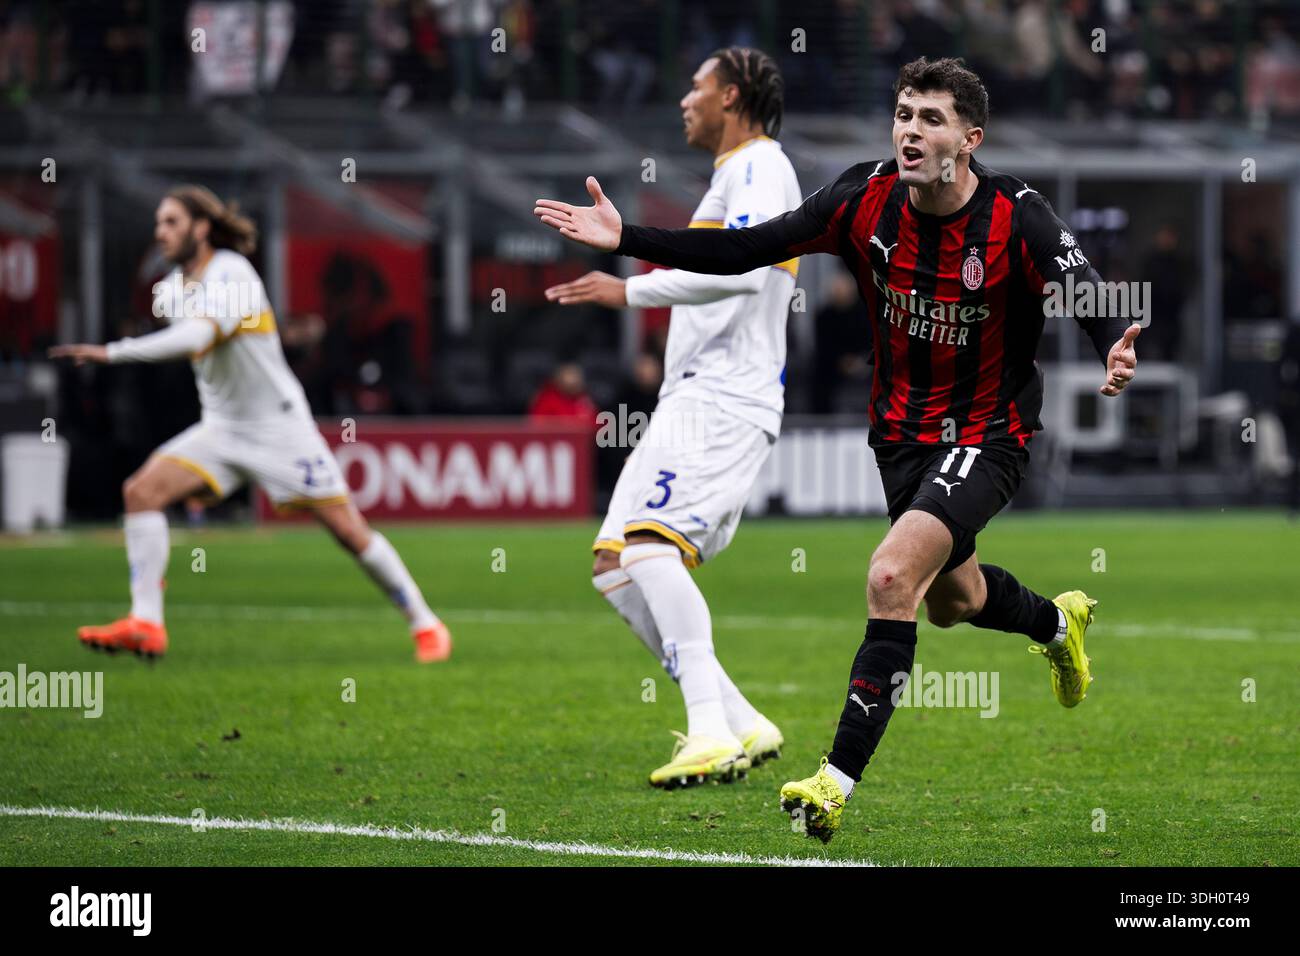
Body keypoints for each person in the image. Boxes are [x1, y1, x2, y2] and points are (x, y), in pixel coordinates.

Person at [535, 57, 1141, 841]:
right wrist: (630, 241)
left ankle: (834, 780)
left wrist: (1111, 348)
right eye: (902, 114)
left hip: (988, 432)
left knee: (892, 575)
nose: (910, 132)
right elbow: (744, 251)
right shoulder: (863, 198)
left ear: (970, 138)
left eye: (930, 119)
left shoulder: (1017, 215)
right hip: (899, 435)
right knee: (954, 601)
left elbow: (1085, 287)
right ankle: (1057, 627)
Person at [49, 185, 452, 664]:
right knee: (141, 493)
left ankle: (426, 624)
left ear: (201, 228)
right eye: (158, 223)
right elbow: (181, 327)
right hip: (221, 428)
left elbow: (197, 336)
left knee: (347, 530)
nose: (161, 232)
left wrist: (112, 353)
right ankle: (147, 624)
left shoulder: (234, 273)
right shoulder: (173, 289)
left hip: (279, 430)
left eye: (172, 222)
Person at [542, 48, 799, 788]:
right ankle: (741, 720)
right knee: (616, 564)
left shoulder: (760, 167)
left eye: (696, 87)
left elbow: (746, 270)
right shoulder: (734, 175)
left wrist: (631, 293)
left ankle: (710, 732)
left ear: (734, 94)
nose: (685, 100)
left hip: (724, 397)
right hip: (695, 397)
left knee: (651, 550)